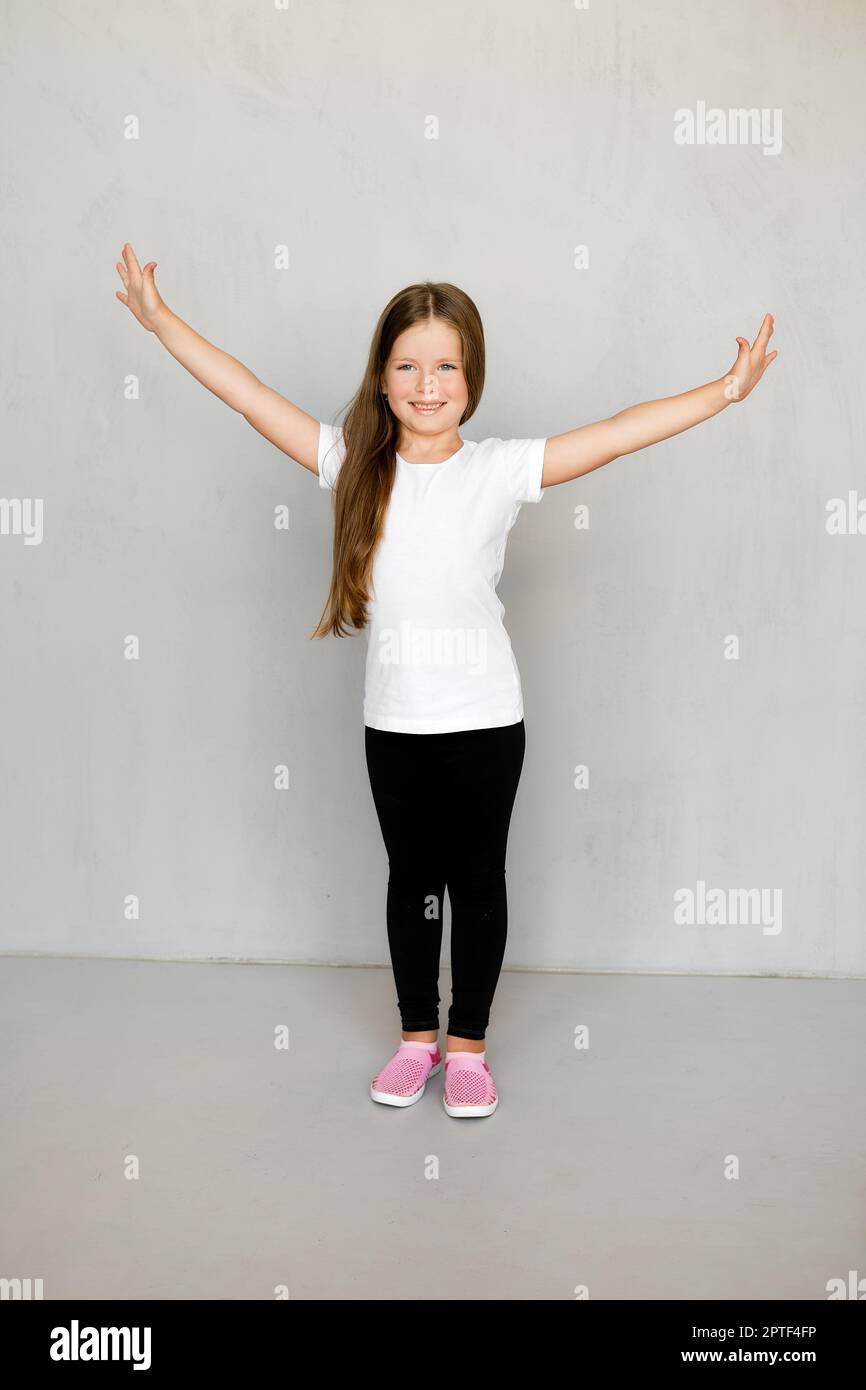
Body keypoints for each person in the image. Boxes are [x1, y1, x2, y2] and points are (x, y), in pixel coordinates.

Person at [115, 244, 777, 1118]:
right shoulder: (351, 463)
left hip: (486, 720)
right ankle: (416, 1040)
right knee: (410, 879)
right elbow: (246, 394)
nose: (428, 384)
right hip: (394, 724)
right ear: (383, 378)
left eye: (446, 367)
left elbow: (617, 432)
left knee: (478, 880)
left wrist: (722, 393)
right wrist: (162, 323)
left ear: (472, 377)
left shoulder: (498, 469)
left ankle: (469, 1049)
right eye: (408, 366)